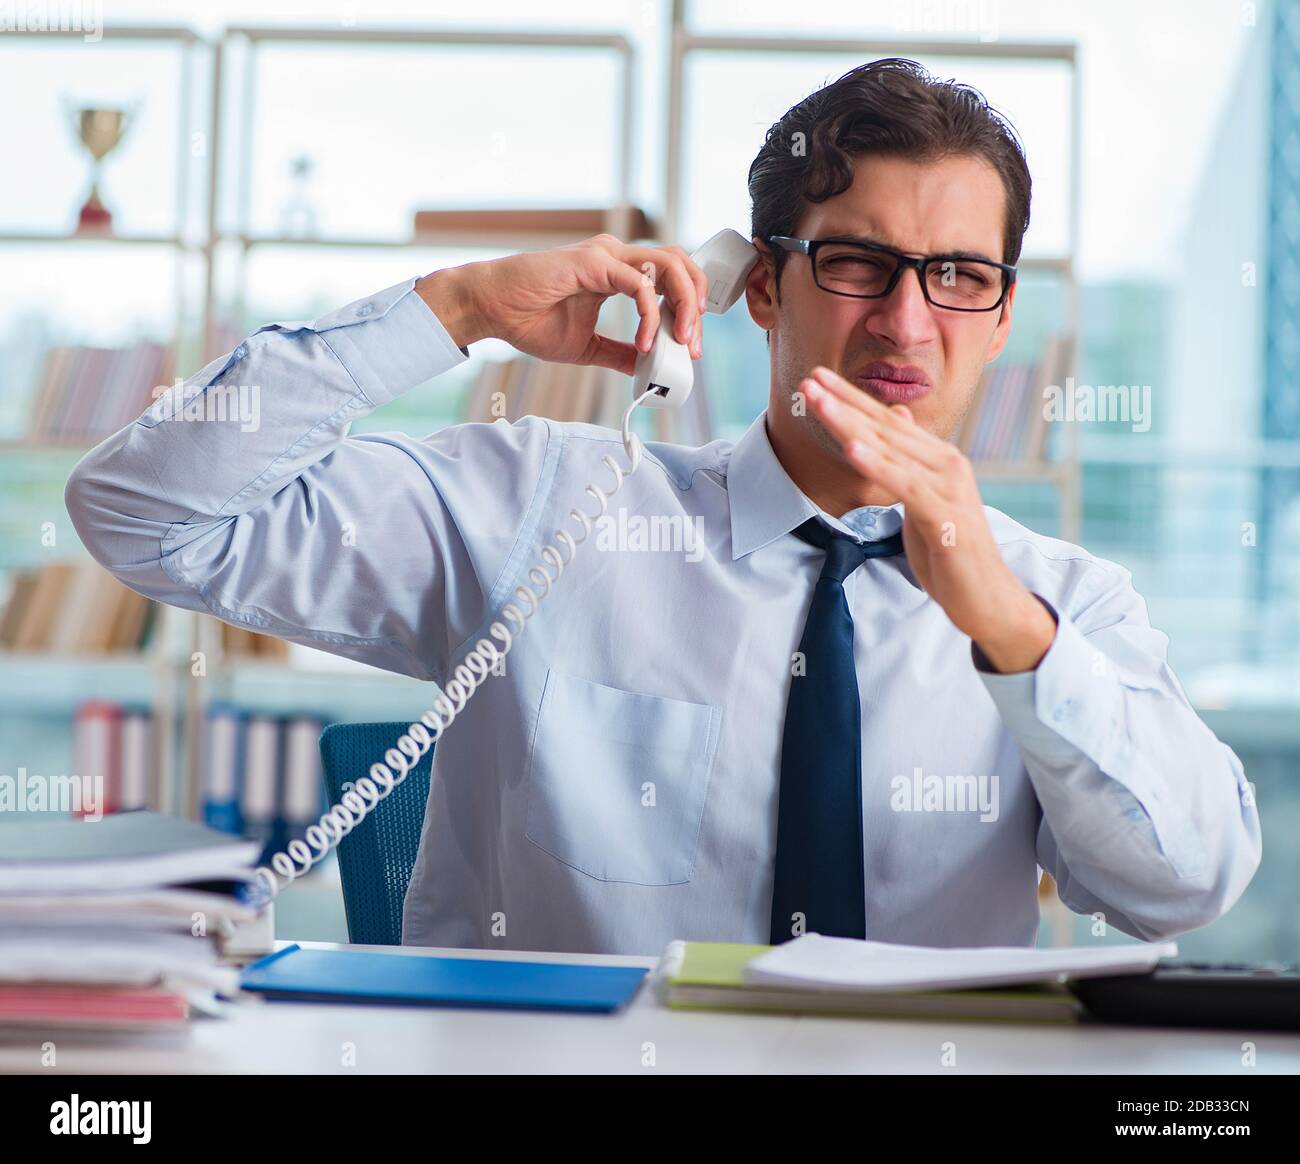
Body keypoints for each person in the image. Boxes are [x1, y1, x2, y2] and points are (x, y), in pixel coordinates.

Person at [65, 58, 1260, 956]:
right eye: (855, 262)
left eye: (958, 276)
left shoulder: (1061, 607)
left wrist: (1012, 630)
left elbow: (1186, 884)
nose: (906, 322)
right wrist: (460, 306)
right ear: (758, 285)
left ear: (1002, 317)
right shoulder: (544, 507)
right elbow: (145, 512)